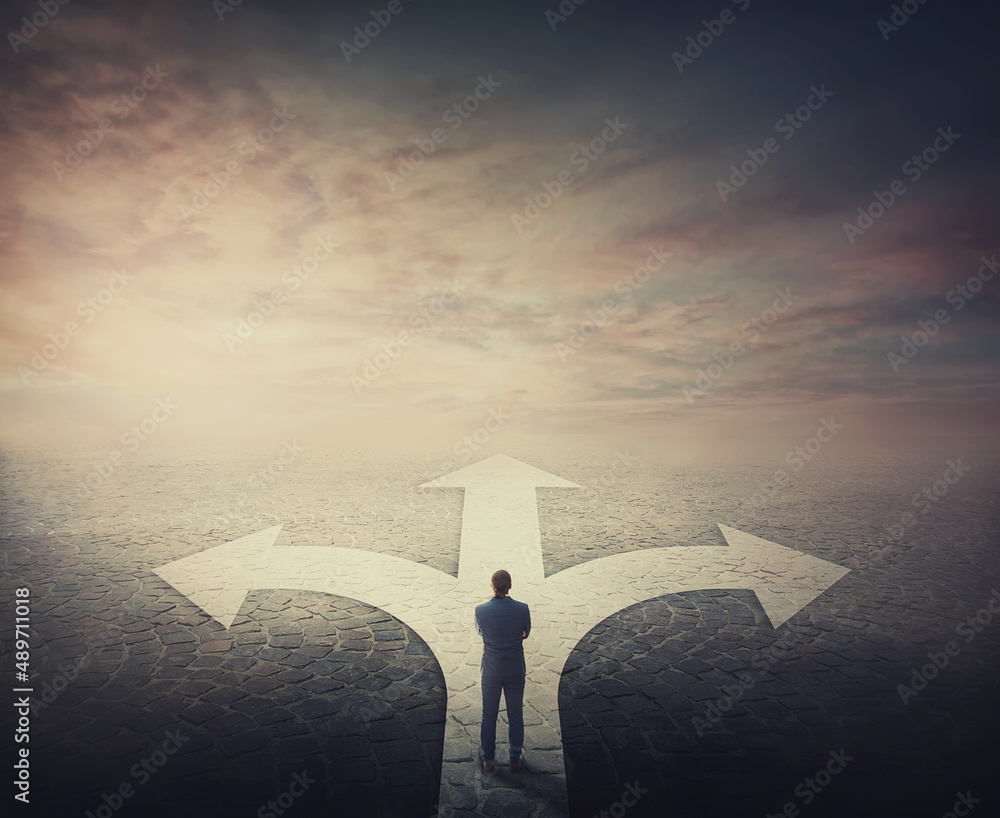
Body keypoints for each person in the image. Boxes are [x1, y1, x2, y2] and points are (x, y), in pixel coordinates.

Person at [474, 569, 531, 772]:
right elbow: (526, 633)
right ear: (510, 586)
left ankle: (489, 759)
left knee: (488, 715)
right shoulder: (523, 609)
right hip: (515, 669)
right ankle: (515, 757)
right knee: (516, 714)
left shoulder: (480, 611)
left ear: (492, 585)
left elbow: (480, 631)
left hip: (491, 670)